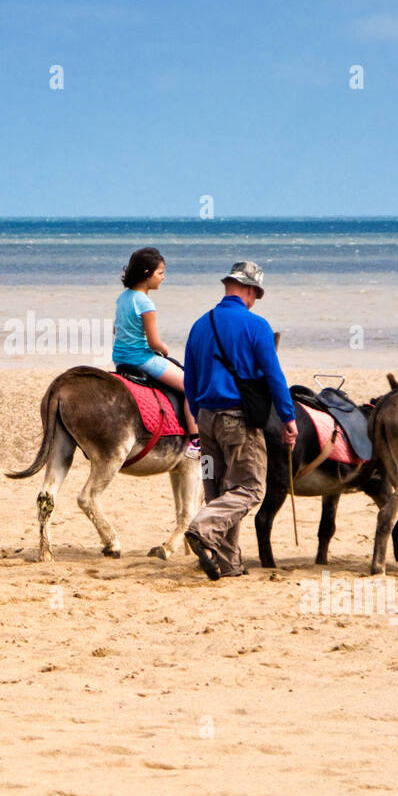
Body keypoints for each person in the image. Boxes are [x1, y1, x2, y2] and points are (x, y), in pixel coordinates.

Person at [182, 261, 297, 580]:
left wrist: (198, 414)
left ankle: (229, 563)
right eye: (256, 294)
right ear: (249, 290)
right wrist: (288, 417)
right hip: (238, 421)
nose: (255, 300)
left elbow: (189, 380)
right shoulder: (256, 326)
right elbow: (275, 377)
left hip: (205, 421)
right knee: (249, 488)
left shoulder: (199, 325)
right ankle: (201, 527)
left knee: (218, 490)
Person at [112, 247, 201, 458]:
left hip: (120, 358)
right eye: (160, 273)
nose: (163, 277)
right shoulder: (145, 303)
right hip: (141, 358)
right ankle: (195, 441)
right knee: (192, 385)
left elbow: (116, 329)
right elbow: (153, 343)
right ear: (147, 274)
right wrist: (164, 348)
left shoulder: (123, 297)